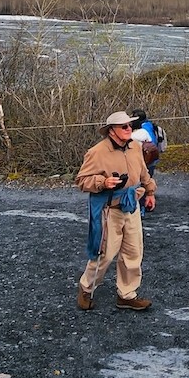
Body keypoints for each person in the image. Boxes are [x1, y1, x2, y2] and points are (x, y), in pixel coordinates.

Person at [75, 111, 158, 311]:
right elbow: (81, 181)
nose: (130, 129)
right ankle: (86, 288)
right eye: (124, 127)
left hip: (132, 206)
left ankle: (127, 295)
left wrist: (150, 192)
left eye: (130, 125)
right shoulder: (97, 152)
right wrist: (103, 182)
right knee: (105, 253)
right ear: (112, 131)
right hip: (108, 209)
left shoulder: (135, 147)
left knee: (133, 251)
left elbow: (144, 173)